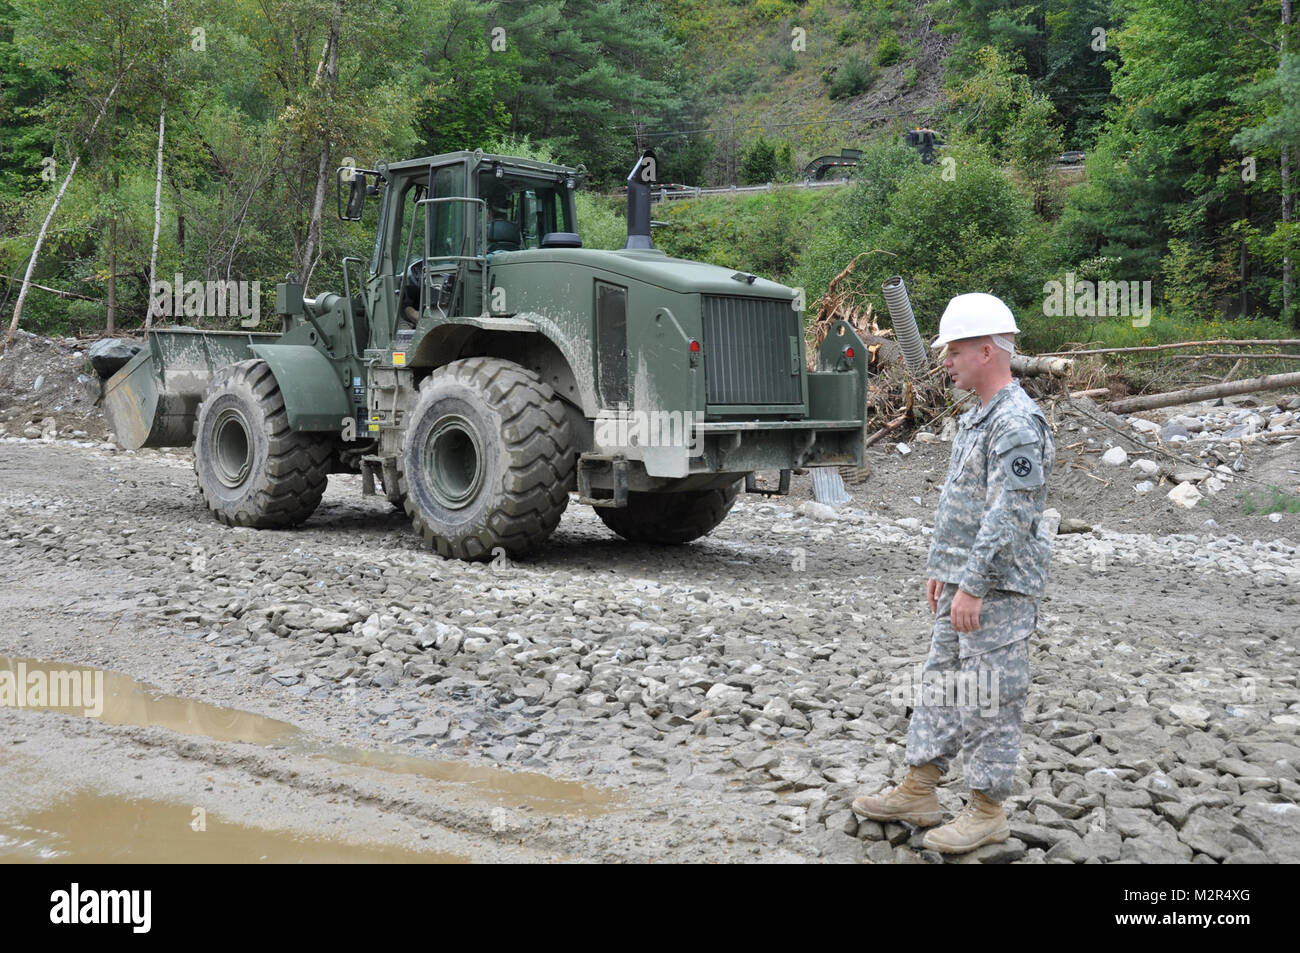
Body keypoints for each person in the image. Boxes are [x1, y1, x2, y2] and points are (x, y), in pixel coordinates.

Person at [852, 292, 1055, 855]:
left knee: (990, 694)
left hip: (997, 588)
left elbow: (1010, 513)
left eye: (955, 350)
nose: (945, 361)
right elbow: (963, 505)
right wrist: (943, 569)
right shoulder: (977, 417)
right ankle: (920, 788)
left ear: (988, 351)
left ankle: (988, 809)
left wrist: (973, 585)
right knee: (941, 681)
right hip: (964, 580)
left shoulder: (1016, 422)